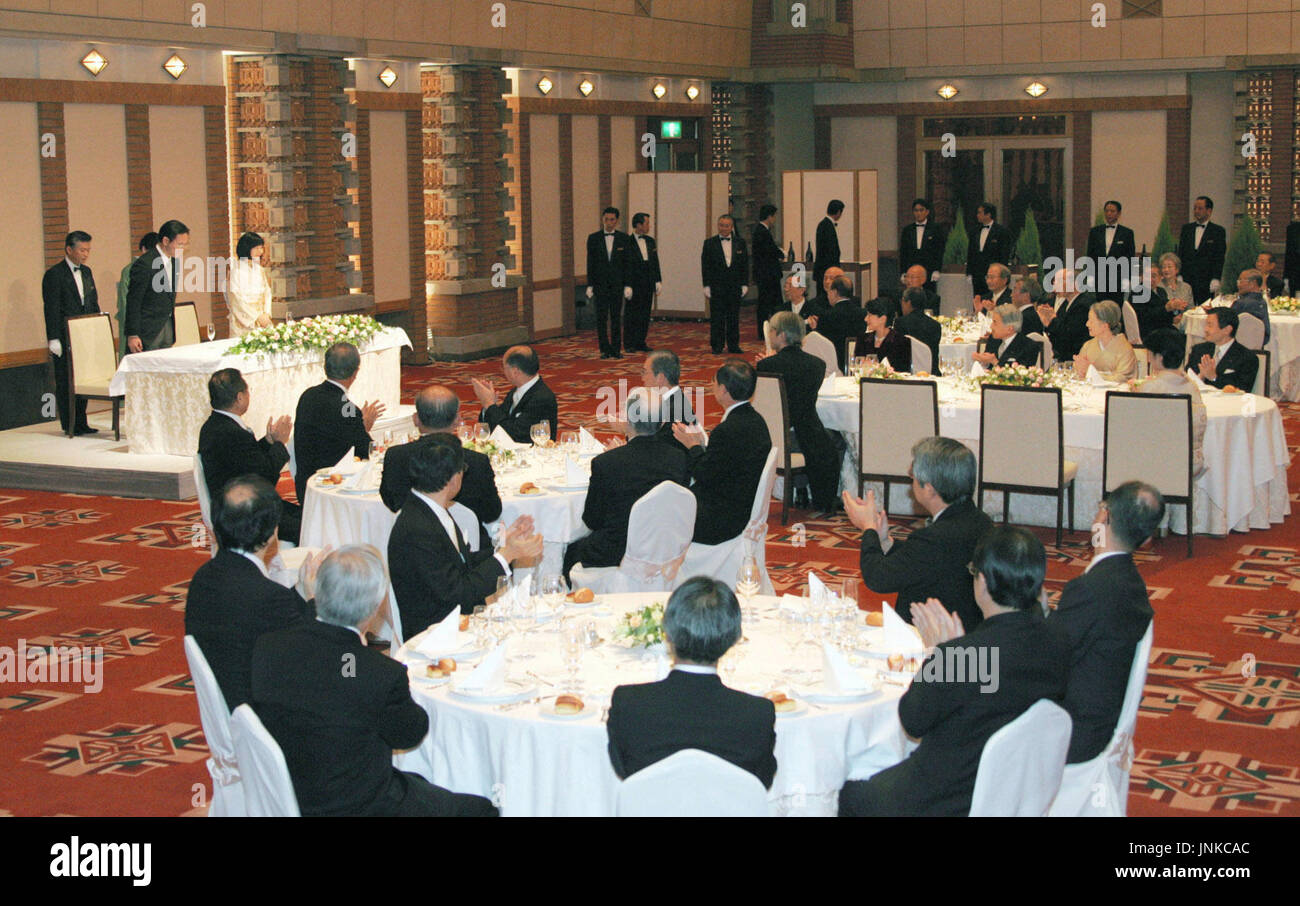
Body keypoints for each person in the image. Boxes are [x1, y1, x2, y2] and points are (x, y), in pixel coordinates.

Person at [838, 526, 1070, 816]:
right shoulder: (1059, 642)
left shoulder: (964, 656)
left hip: (949, 796)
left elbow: (912, 720)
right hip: (1020, 785)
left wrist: (940, 656)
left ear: (982, 582)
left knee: (845, 795)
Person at [251, 545, 497, 816]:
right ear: (374, 607)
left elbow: (327, 666)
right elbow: (410, 733)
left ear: (317, 592)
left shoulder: (268, 647)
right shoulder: (379, 674)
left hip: (284, 793)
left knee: (420, 784)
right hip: (358, 805)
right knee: (482, 809)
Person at [606, 577, 777, 787]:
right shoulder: (757, 714)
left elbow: (623, 769)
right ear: (734, 639)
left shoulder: (629, 704)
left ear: (666, 632)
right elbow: (762, 782)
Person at [1049, 482, 1164, 764]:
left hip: (1074, 732)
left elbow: (1044, 656)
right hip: (1101, 723)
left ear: (1103, 518)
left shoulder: (1090, 589)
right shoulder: (1131, 583)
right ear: (1147, 538)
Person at [388, 439, 543, 638]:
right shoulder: (417, 529)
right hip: (435, 636)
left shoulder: (429, 508)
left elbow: (461, 562)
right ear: (453, 479)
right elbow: (459, 594)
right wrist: (507, 555)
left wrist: (504, 547)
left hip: (454, 623)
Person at [186, 476, 317, 710]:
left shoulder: (203, 578)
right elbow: (307, 652)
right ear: (271, 535)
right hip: (266, 712)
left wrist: (300, 590)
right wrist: (314, 601)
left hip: (230, 702)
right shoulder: (267, 597)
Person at [844, 436, 994, 629]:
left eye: (914, 475)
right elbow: (923, 560)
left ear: (930, 490)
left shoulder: (934, 538)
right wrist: (886, 542)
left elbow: (878, 578)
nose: (910, 476)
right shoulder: (981, 522)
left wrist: (868, 528)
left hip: (933, 639)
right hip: (972, 630)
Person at [562, 387, 689, 582]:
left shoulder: (606, 463)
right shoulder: (680, 459)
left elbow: (592, 520)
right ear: (663, 422)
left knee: (569, 550)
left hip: (615, 552)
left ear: (628, 421)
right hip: (664, 548)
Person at [379, 387, 502, 539]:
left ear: (416, 419)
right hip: (469, 546)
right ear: (458, 420)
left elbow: (391, 502)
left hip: (411, 540)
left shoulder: (395, 456)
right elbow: (491, 513)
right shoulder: (476, 461)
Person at [673, 360, 772, 545]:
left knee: (666, 507)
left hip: (723, 516)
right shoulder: (757, 420)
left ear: (724, 390)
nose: (712, 385)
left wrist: (693, 446)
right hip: (742, 503)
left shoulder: (728, 429)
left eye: (714, 382)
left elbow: (704, 474)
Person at [198, 368, 300, 543]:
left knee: (308, 514)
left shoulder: (215, 425)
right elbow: (265, 477)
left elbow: (247, 459)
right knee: (310, 525)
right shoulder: (231, 433)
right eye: (247, 391)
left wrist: (268, 441)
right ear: (239, 397)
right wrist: (280, 443)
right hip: (244, 514)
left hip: (238, 503)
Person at [757, 312, 841, 512]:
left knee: (801, 442)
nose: (769, 335)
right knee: (836, 441)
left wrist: (768, 362)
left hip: (776, 435)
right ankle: (823, 498)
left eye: (772, 331)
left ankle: (800, 489)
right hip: (809, 431)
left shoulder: (767, 366)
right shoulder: (817, 365)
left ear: (781, 335)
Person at [292, 342, 385, 503]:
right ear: (355, 373)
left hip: (306, 485)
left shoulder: (308, 395)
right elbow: (366, 451)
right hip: (334, 490)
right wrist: (364, 426)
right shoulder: (347, 409)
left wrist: (358, 423)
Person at [43, 230, 100, 436]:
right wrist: (53, 338)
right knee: (66, 379)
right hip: (65, 334)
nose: (85, 254)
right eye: (82, 250)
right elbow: (51, 308)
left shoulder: (86, 272)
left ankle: (82, 421)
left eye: (88, 250)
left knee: (83, 378)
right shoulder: (54, 275)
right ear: (69, 249)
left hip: (85, 334)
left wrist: (97, 327)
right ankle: (70, 423)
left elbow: (92, 302)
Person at [1139, 329, 1207, 475]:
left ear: (1160, 357)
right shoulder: (1192, 386)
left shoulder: (1150, 387)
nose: (1149, 359)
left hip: (1155, 462)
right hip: (1189, 463)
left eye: (1150, 354)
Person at [126, 218, 190, 352]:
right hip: (148, 331)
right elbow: (134, 301)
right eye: (180, 244)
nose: (183, 249)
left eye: (185, 244)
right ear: (166, 241)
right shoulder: (145, 263)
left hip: (167, 327)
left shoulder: (174, 262)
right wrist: (133, 334)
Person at [472, 345, 558, 443]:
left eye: (504, 368)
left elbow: (516, 435)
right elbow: (497, 426)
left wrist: (490, 404)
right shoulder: (515, 392)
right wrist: (489, 407)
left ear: (515, 372)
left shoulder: (541, 398)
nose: (503, 372)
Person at [585, 206, 633, 359]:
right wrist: (590, 284)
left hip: (617, 284)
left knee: (616, 317)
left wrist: (628, 284)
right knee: (601, 318)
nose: (609, 223)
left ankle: (616, 349)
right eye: (606, 219)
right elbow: (590, 263)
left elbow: (628, 264)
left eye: (612, 220)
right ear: (602, 220)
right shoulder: (593, 238)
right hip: (600, 284)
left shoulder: (624, 238)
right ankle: (604, 349)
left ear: (616, 221)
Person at [701, 214, 748, 354]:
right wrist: (706, 285)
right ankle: (717, 345)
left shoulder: (740, 243)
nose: (723, 228)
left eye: (727, 225)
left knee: (734, 316)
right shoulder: (709, 243)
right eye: (721, 225)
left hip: (734, 286)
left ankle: (733, 345)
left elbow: (744, 265)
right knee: (717, 317)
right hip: (717, 286)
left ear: (731, 227)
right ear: (718, 225)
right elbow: (705, 265)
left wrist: (744, 284)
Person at [1186, 307, 1259, 392]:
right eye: (1206, 324)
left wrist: (1214, 377)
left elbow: (1243, 389)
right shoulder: (1199, 350)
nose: (1205, 329)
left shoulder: (1247, 358)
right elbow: (1185, 380)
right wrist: (1200, 377)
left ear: (1227, 330)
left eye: (1210, 325)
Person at [1036, 266, 1097, 364]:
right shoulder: (1066, 304)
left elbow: (1069, 335)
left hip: (1076, 356)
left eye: (1060, 281)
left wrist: (1051, 319)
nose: (1055, 284)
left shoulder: (1083, 305)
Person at [1177, 196, 1227, 305]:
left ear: (1209, 211)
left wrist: (1216, 278)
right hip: (1187, 277)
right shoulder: (1186, 229)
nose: (1196, 211)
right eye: (1195, 208)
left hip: (1206, 279)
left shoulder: (1218, 231)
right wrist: (1179, 273)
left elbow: (1219, 256)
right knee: (1185, 306)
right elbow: (1181, 253)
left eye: (1200, 208)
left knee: (1205, 308)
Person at [641, 350, 696, 450]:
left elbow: (656, 451)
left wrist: (629, 430)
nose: (642, 378)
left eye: (645, 372)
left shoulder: (674, 410)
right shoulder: (672, 401)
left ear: (660, 378)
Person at [624, 212, 661, 353]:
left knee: (645, 314)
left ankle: (640, 341)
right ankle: (629, 343)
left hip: (648, 282)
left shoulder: (651, 241)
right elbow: (625, 265)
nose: (648, 226)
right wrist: (627, 284)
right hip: (634, 283)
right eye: (646, 223)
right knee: (632, 313)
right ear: (638, 225)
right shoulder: (627, 241)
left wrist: (658, 280)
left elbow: (655, 262)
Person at [1074, 299, 1137, 382]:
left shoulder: (1125, 349)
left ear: (1105, 325)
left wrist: (1090, 371)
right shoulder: (1088, 346)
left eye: (1091, 321)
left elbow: (1122, 378)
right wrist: (1079, 368)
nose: (1087, 324)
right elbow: (1078, 371)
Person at [1086, 200, 1137, 302]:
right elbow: (1090, 255)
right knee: (1100, 306)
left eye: (1112, 211)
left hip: (1118, 279)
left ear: (1119, 213)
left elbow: (1130, 257)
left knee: (1116, 306)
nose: (1109, 213)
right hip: (1099, 278)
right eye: (1107, 211)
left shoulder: (1127, 233)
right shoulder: (1095, 232)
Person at [116, 232, 157, 357]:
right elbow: (125, 302)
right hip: (134, 325)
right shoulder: (130, 270)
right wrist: (133, 331)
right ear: (143, 250)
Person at [226, 231, 274, 337]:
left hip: (262, 319)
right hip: (245, 322)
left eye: (261, 248)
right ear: (247, 248)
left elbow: (267, 293)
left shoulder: (260, 270)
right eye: (256, 248)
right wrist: (256, 317)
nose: (260, 251)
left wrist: (266, 313)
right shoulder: (236, 270)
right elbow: (236, 299)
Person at [751, 203, 785, 341]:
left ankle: (768, 330)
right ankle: (765, 331)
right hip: (767, 275)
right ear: (769, 216)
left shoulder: (761, 231)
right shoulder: (762, 232)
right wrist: (781, 254)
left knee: (766, 304)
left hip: (765, 274)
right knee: (768, 304)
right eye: (774, 216)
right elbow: (769, 251)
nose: (775, 219)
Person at [898, 198, 944, 295]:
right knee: (911, 295)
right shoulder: (907, 230)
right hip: (911, 270)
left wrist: (937, 270)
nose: (918, 213)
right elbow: (903, 252)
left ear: (927, 212)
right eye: (916, 210)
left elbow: (939, 251)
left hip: (929, 270)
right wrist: (903, 272)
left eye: (921, 210)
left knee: (929, 295)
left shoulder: (936, 229)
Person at [966, 203, 1012, 299]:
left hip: (993, 275)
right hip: (977, 274)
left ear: (988, 214)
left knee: (993, 298)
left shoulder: (1001, 231)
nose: (977, 215)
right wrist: (969, 272)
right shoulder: (974, 231)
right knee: (978, 299)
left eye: (980, 213)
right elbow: (971, 253)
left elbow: (1004, 254)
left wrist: (1000, 274)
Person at [973, 303, 1040, 368]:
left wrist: (995, 362)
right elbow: (988, 367)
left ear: (1009, 328)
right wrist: (983, 361)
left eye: (995, 322)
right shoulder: (993, 340)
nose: (991, 326)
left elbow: (1018, 376)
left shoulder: (1028, 347)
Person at [856, 297, 911, 372]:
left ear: (882, 319)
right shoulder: (863, 339)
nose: (865, 319)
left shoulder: (901, 342)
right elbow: (858, 367)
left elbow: (902, 372)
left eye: (869, 315)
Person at [896, 287, 941, 375]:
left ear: (908, 303)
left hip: (909, 372)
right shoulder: (935, 325)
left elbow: (899, 352)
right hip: (932, 372)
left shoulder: (901, 323)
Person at [1227, 268, 1271, 345]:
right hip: (1257, 347)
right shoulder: (1263, 302)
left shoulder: (1240, 303)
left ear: (1253, 283)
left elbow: (1225, 324)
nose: (1238, 284)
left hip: (1235, 347)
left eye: (1241, 281)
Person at [1155, 252, 1194, 329]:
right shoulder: (1158, 287)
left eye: (1169, 267)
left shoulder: (1186, 287)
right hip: (1165, 325)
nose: (1166, 270)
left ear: (1177, 269)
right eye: (1163, 267)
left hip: (1185, 323)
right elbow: (1158, 311)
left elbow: (1191, 309)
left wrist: (1183, 316)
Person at [813, 199, 843, 293]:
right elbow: (831, 251)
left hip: (823, 269)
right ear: (838, 212)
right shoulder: (827, 226)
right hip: (826, 270)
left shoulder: (823, 224)